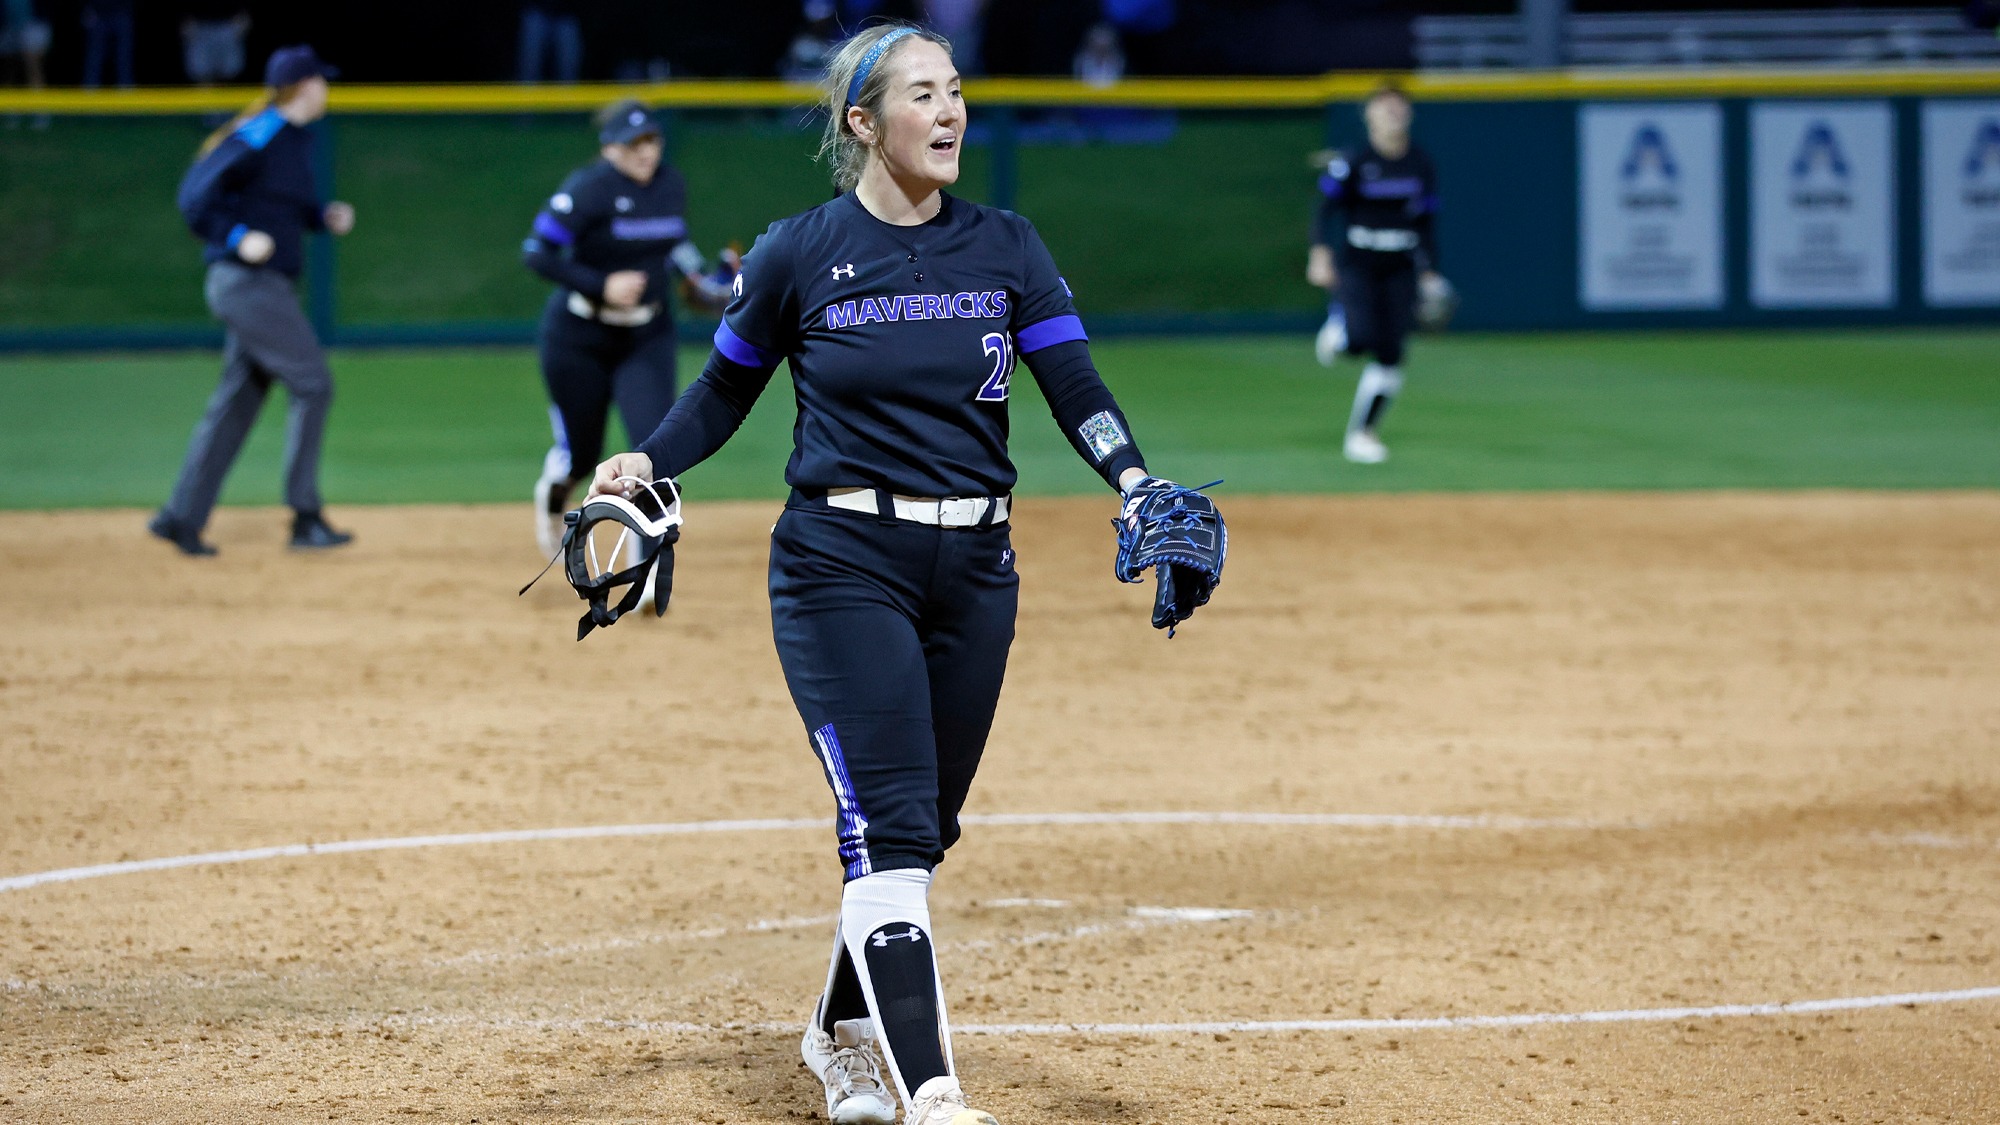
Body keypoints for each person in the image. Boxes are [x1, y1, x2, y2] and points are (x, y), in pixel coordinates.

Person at [585, 23, 1202, 1125]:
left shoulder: (1005, 245)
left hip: (976, 567)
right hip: (838, 562)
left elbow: (1072, 380)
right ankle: (934, 1095)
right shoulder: (796, 252)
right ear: (863, 123)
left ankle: (837, 1038)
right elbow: (724, 392)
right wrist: (649, 455)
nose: (951, 111)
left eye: (956, 90)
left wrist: (1134, 481)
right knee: (888, 833)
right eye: (924, 94)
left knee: (917, 832)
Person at [151, 45, 355, 557]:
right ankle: (305, 515)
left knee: (236, 402)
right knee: (312, 382)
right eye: (321, 81)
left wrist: (320, 216)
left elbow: (280, 202)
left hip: (261, 286)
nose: (326, 89)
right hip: (246, 282)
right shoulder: (260, 131)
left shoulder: (293, 139)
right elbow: (193, 195)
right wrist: (237, 235)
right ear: (305, 86)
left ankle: (181, 517)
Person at [522, 99, 737, 567]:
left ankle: (645, 563)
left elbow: (677, 250)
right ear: (610, 149)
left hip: (646, 337)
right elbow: (537, 252)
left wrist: (708, 284)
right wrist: (602, 284)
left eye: (652, 140)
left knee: (651, 447)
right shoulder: (589, 189)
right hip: (579, 337)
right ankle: (556, 492)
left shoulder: (670, 185)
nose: (646, 153)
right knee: (583, 455)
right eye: (633, 143)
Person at [1306, 83, 1441, 464]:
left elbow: (1428, 221)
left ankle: (1363, 433)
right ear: (1369, 115)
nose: (1392, 114)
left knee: (1392, 351)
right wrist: (1319, 252)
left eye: (1398, 108)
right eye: (1384, 108)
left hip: (1400, 266)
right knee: (1360, 338)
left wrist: (1430, 270)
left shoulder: (1420, 163)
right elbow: (1323, 210)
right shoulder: (1354, 161)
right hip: (1359, 264)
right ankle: (1340, 327)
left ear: (1409, 115)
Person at [180, 3, 248, 85]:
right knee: (201, 74)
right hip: (198, 27)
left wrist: (244, 17)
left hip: (229, 25)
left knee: (231, 73)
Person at [80, 0, 135, 89]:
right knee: (94, 58)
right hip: (97, 13)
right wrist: (87, 8)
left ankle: (126, 90)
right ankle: (89, 91)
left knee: (123, 57)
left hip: (122, 12)